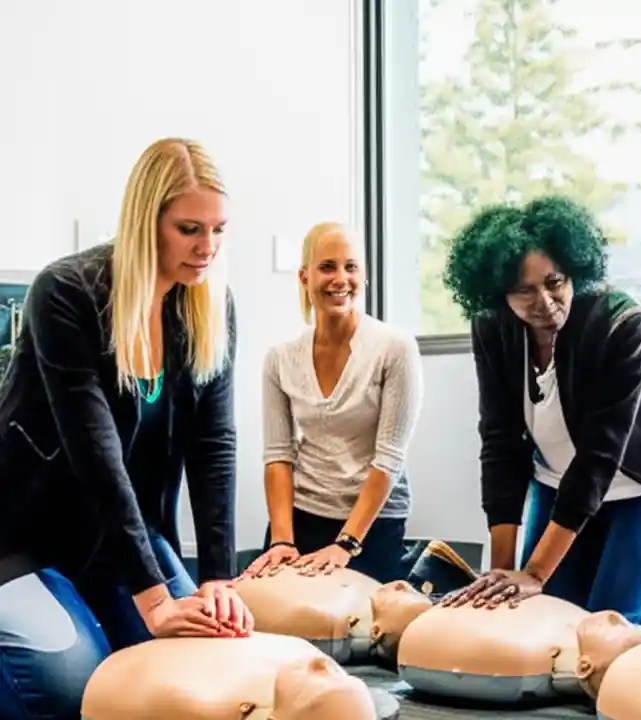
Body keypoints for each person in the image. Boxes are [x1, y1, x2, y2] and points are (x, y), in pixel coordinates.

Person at [0, 137, 252, 719]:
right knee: (72, 684)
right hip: (25, 538)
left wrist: (219, 578)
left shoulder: (209, 306)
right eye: (190, 229)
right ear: (147, 221)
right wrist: (154, 597)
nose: (207, 247)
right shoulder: (66, 292)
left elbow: (215, 444)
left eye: (218, 230)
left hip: (118, 534)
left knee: (196, 663)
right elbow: (97, 455)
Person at [436, 195, 641, 625]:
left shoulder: (621, 324)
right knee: (541, 615)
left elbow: (598, 457)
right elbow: (500, 440)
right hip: (557, 478)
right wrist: (502, 576)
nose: (545, 301)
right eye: (524, 290)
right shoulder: (491, 325)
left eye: (555, 281)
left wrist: (535, 572)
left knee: (606, 624)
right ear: (500, 294)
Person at [243, 222, 424, 583]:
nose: (340, 278)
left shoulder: (395, 349)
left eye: (351, 267)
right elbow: (278, 454)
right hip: (302, 514)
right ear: (304, 276)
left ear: (364, 275)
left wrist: (346, 544)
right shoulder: (280, 359)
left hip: (371, 525)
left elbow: (389, 457)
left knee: (356, 627)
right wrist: (281, 539)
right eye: (327, 267)